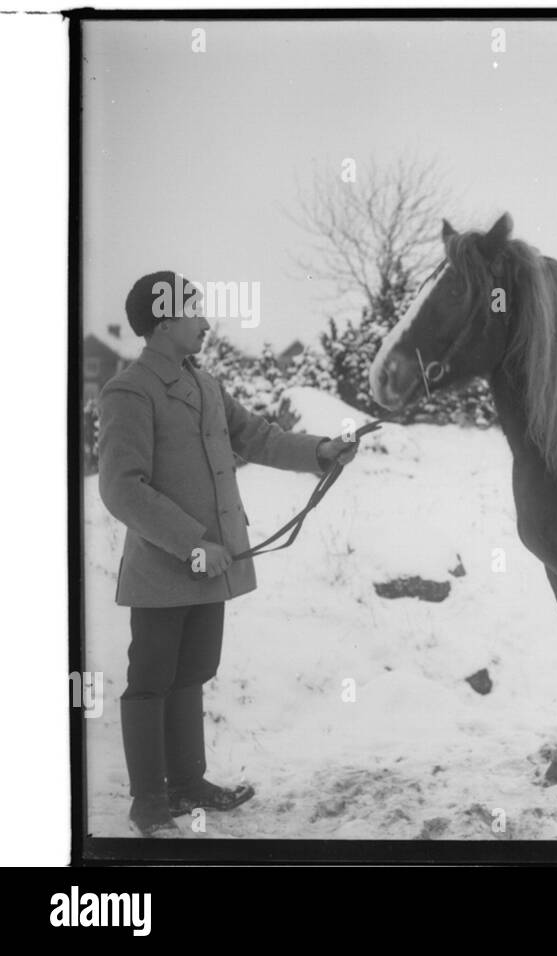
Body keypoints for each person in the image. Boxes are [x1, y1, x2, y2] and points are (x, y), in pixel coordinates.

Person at [97, 271, 357, 837]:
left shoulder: (205, 384)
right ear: (164, 322)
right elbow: (122, 487)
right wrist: (193, 543)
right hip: (169, 566)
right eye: (195, 312)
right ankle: (149, 803)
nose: (206, 323)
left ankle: (189, 784)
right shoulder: (129, 390)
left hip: (212, 565)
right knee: (151, 680)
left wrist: (321, 450)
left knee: (192, 673)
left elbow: (257, 437)